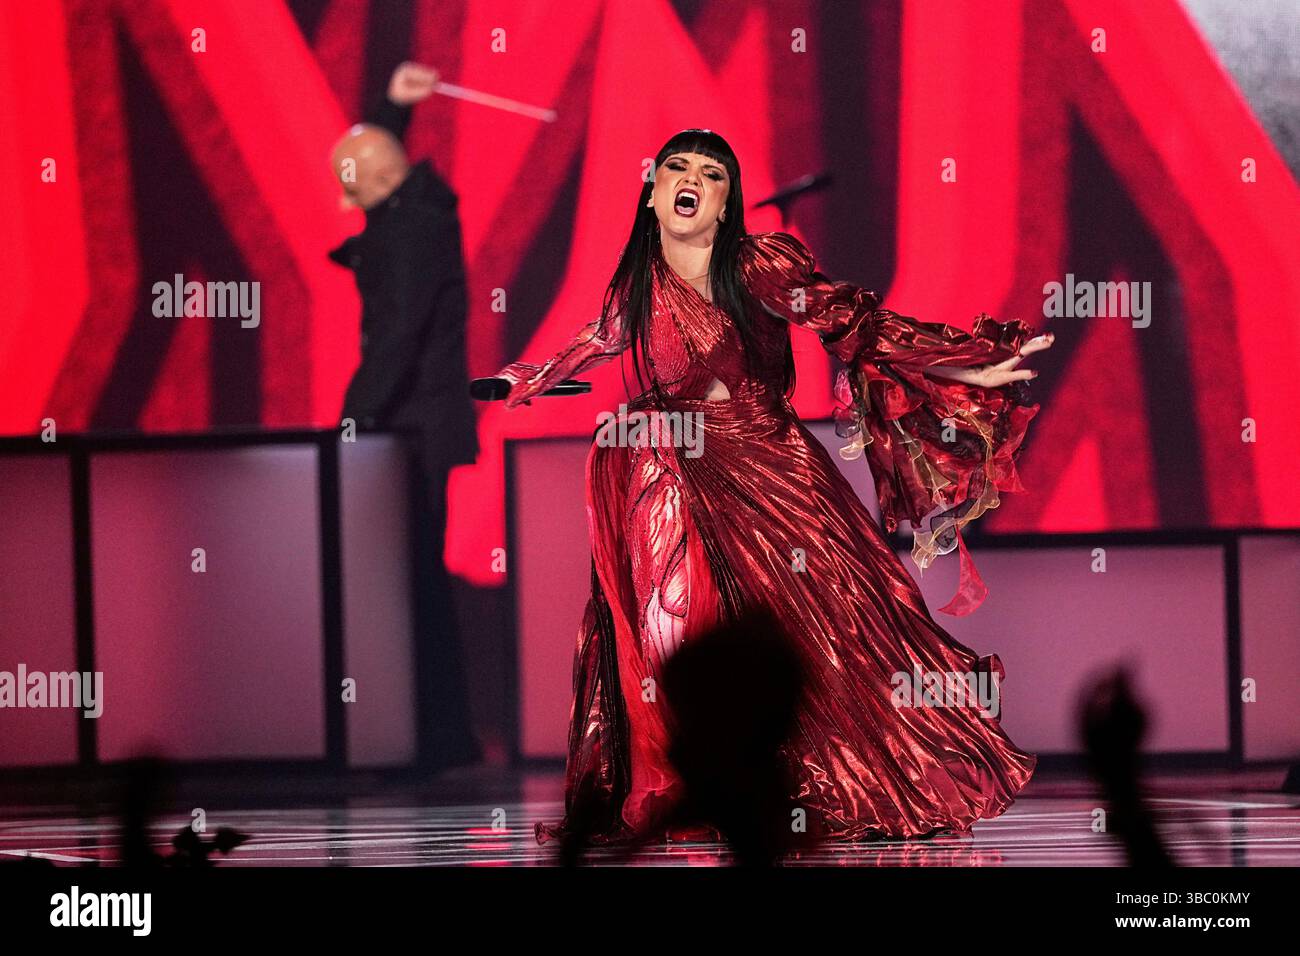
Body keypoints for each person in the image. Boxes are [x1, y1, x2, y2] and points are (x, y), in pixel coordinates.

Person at [495, 129, 1054, 844]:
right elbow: (597, 337)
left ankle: (838, 775)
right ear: (654, 191)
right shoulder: (638, 281)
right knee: (669, 623)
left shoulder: (756, 266)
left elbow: (849, 320)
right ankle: (693, 781)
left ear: (726, 203)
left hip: (768, 468)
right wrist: (526, 378)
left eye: (711, 174)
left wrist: (963, 365)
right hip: (668, 462)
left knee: (836, 630)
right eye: (676, 168)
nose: (691, 180)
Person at [330, 62, 479, 772]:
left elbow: (397, 340)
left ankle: (441, 737)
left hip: (414, 432)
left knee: (418, 579)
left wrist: (349, 426)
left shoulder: (412, 232)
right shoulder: (412, 211)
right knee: (410, 578)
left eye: (349, 187)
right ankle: (435, 735)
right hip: (411, 428)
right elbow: (381, 170)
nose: (345, 201)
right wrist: (391, 108)